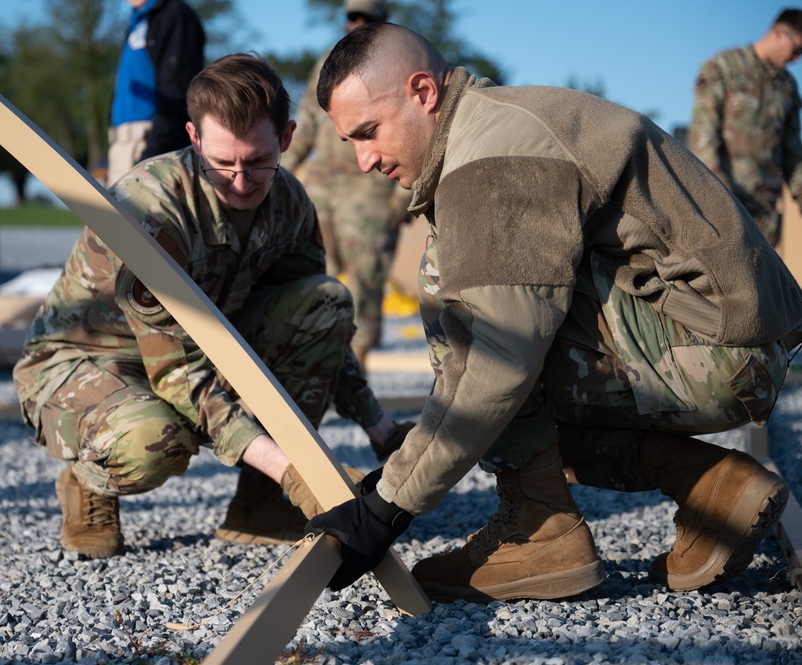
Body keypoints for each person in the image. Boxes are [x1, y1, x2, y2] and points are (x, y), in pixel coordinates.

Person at [305, 23, 801, 602]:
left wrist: (387, 506)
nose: (364, 160)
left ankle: (539, 531)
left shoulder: (491, 155)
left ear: (423, 92)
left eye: (369, 132)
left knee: (457, 297)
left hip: (711, 351)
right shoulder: (496, 123)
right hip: (729, 349)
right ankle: (710, 485)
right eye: (350, 143)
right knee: (505, 398)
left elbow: (496, 359)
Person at [14, 53, 412, 559]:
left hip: (198, 347)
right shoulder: (150, 210)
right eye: (223, 164)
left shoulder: (289, 202)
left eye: (258, 162)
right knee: (154, 439)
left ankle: (259, 504)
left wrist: (380, 429)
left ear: (287, 138)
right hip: (89, 363)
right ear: (194, 138)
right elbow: (180, 375)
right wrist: (299, 473)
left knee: (328, 298)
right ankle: (88, 477)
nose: (242, 182)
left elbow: (319, 324)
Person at [281, 0, 411, 370]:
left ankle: (353, 383)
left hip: (371, 192)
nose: (357, 24)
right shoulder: (328, 62)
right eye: (352, 17)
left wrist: (402, 201)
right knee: (306, 277)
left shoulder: (396, 64)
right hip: (323, 188)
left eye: (366, 18)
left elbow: (416, 132)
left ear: (382, 20)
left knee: (364, 289)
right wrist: (278, 171)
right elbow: (306, 121)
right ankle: (309, 374)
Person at [688, 9, 802, 248]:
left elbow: (793, 156)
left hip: (765, 220)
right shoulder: (725, 67)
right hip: (721, 208)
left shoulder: (788, 88)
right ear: (779, 33)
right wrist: (719, 202)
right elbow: (703, 140)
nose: (796, 60)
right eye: (797, 50)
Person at [106, 0, 204, 187]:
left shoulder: (174, 14)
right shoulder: (136, 21)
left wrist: (153, 151)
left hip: (150, 142)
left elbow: (178, 91)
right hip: (121, 144)